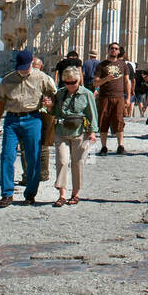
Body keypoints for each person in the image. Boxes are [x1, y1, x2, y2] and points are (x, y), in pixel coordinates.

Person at [0, 49, 56, 207]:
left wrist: (50, 104)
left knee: (33, 157)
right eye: (20, 67)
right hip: (12, 120)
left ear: (31, 64)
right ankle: (7, 194)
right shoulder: (8, 80)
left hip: (32, 118)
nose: (22, 70)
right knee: (7, 155)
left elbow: (53, 93)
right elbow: (0, 103)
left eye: (25, 67)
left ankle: (30, 194)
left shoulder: (41, 77)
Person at [51, 66, 97, 207]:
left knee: (77, 163)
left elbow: (92, 113)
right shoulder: (60, 94)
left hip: (79, 133)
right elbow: (55, 112)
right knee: (62, 161)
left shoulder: (86, 94)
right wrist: (48, 106)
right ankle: (62, 194)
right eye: (67, 82)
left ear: (79, 80)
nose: (70, 85)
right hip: (61, 132)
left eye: (73, 82)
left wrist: (93, 132)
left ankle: (75, 193)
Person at [94, 42, 133, 155]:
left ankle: (120, 145)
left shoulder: (123, 65)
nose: (114, 50)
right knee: (103, 121)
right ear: (108, 50)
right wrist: (106, 79)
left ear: (119, 51)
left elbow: (127, 81)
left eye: (116, 49)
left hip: (119, 96)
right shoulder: (101, 65)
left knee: (119, 120)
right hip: (104, 97)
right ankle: (104, 147)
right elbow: (95, 82)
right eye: (112, 48)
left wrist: (128, 97)